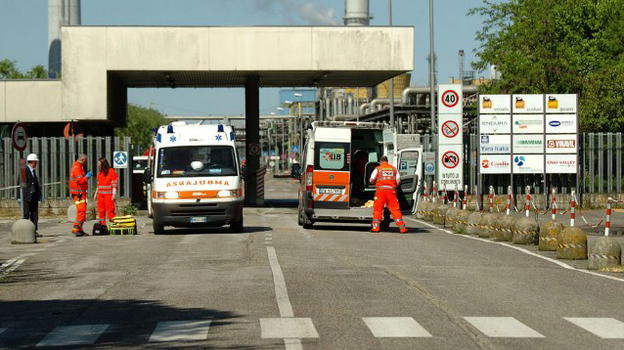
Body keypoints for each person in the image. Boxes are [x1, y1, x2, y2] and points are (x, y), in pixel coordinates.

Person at [369, 155, 408, 234]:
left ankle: (376, 227)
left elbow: (371, 180)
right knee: (395, 209)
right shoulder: (394, 169)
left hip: (380, 191)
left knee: (378, 209)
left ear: (380, 162)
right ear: (387, 161)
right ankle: (402, 228)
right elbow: (398, 181)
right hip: (391, 191)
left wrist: (375, 182)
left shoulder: (378, 169)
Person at [69, 154, 92, 236]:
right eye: (85, 161)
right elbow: (81, 181)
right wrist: (87, 176)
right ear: (83, 159)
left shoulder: (78, 167)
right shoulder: (77, 168)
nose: (86, 162)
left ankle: (80, 229)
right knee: (81, 211)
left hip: (81, 193)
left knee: (83, 211)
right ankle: (76, 228)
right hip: (78, 194)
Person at [94, 157, 118, 227]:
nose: (98, 165)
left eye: (99, 163)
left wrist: (114, 194)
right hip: (100, 195)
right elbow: (98, 184)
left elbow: (114, 184)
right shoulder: (100, 173)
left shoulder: (111, 171)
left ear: (103, 164)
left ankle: (113, 225)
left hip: (109, 195)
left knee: (110, 210)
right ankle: (102, 225)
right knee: (101, 211)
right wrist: (96, 193)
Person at [22, 153, 42, 235]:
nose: (36, 164)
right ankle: (26, 231)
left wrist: (39, 195)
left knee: (34, 215)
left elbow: (36, 184)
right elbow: (21, 184)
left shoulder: (33, 172)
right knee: (26, 214)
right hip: (27, 197)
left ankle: (34, 231)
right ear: (32, 162)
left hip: (34, 197)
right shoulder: (24, 171)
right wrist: (19, 197)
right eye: (35, 162)